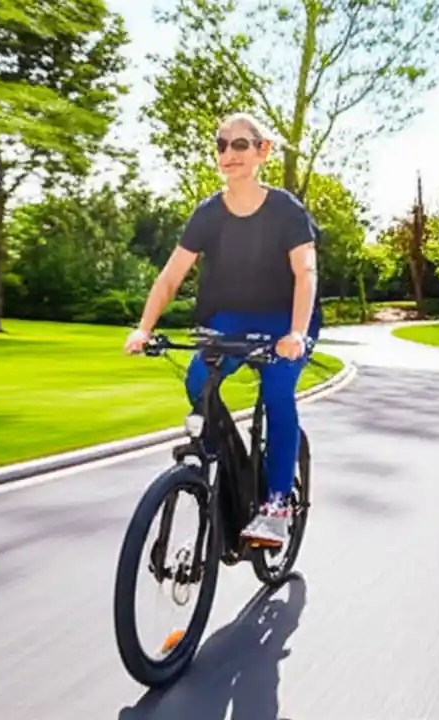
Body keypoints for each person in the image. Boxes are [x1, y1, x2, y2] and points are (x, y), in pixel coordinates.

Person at [124, 111, 322, 548]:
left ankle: (275, 505)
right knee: (199, 380)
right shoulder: (208, 214)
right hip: (232, 317)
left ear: (261, 151)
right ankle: (226, 460)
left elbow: (305, 271)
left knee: (276, 391)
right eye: (221, 145)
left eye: (239, 145)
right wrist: (143, 329)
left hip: (286, 318)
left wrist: (296, 333)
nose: (228, 154)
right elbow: (171, 276)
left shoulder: (285, 210)